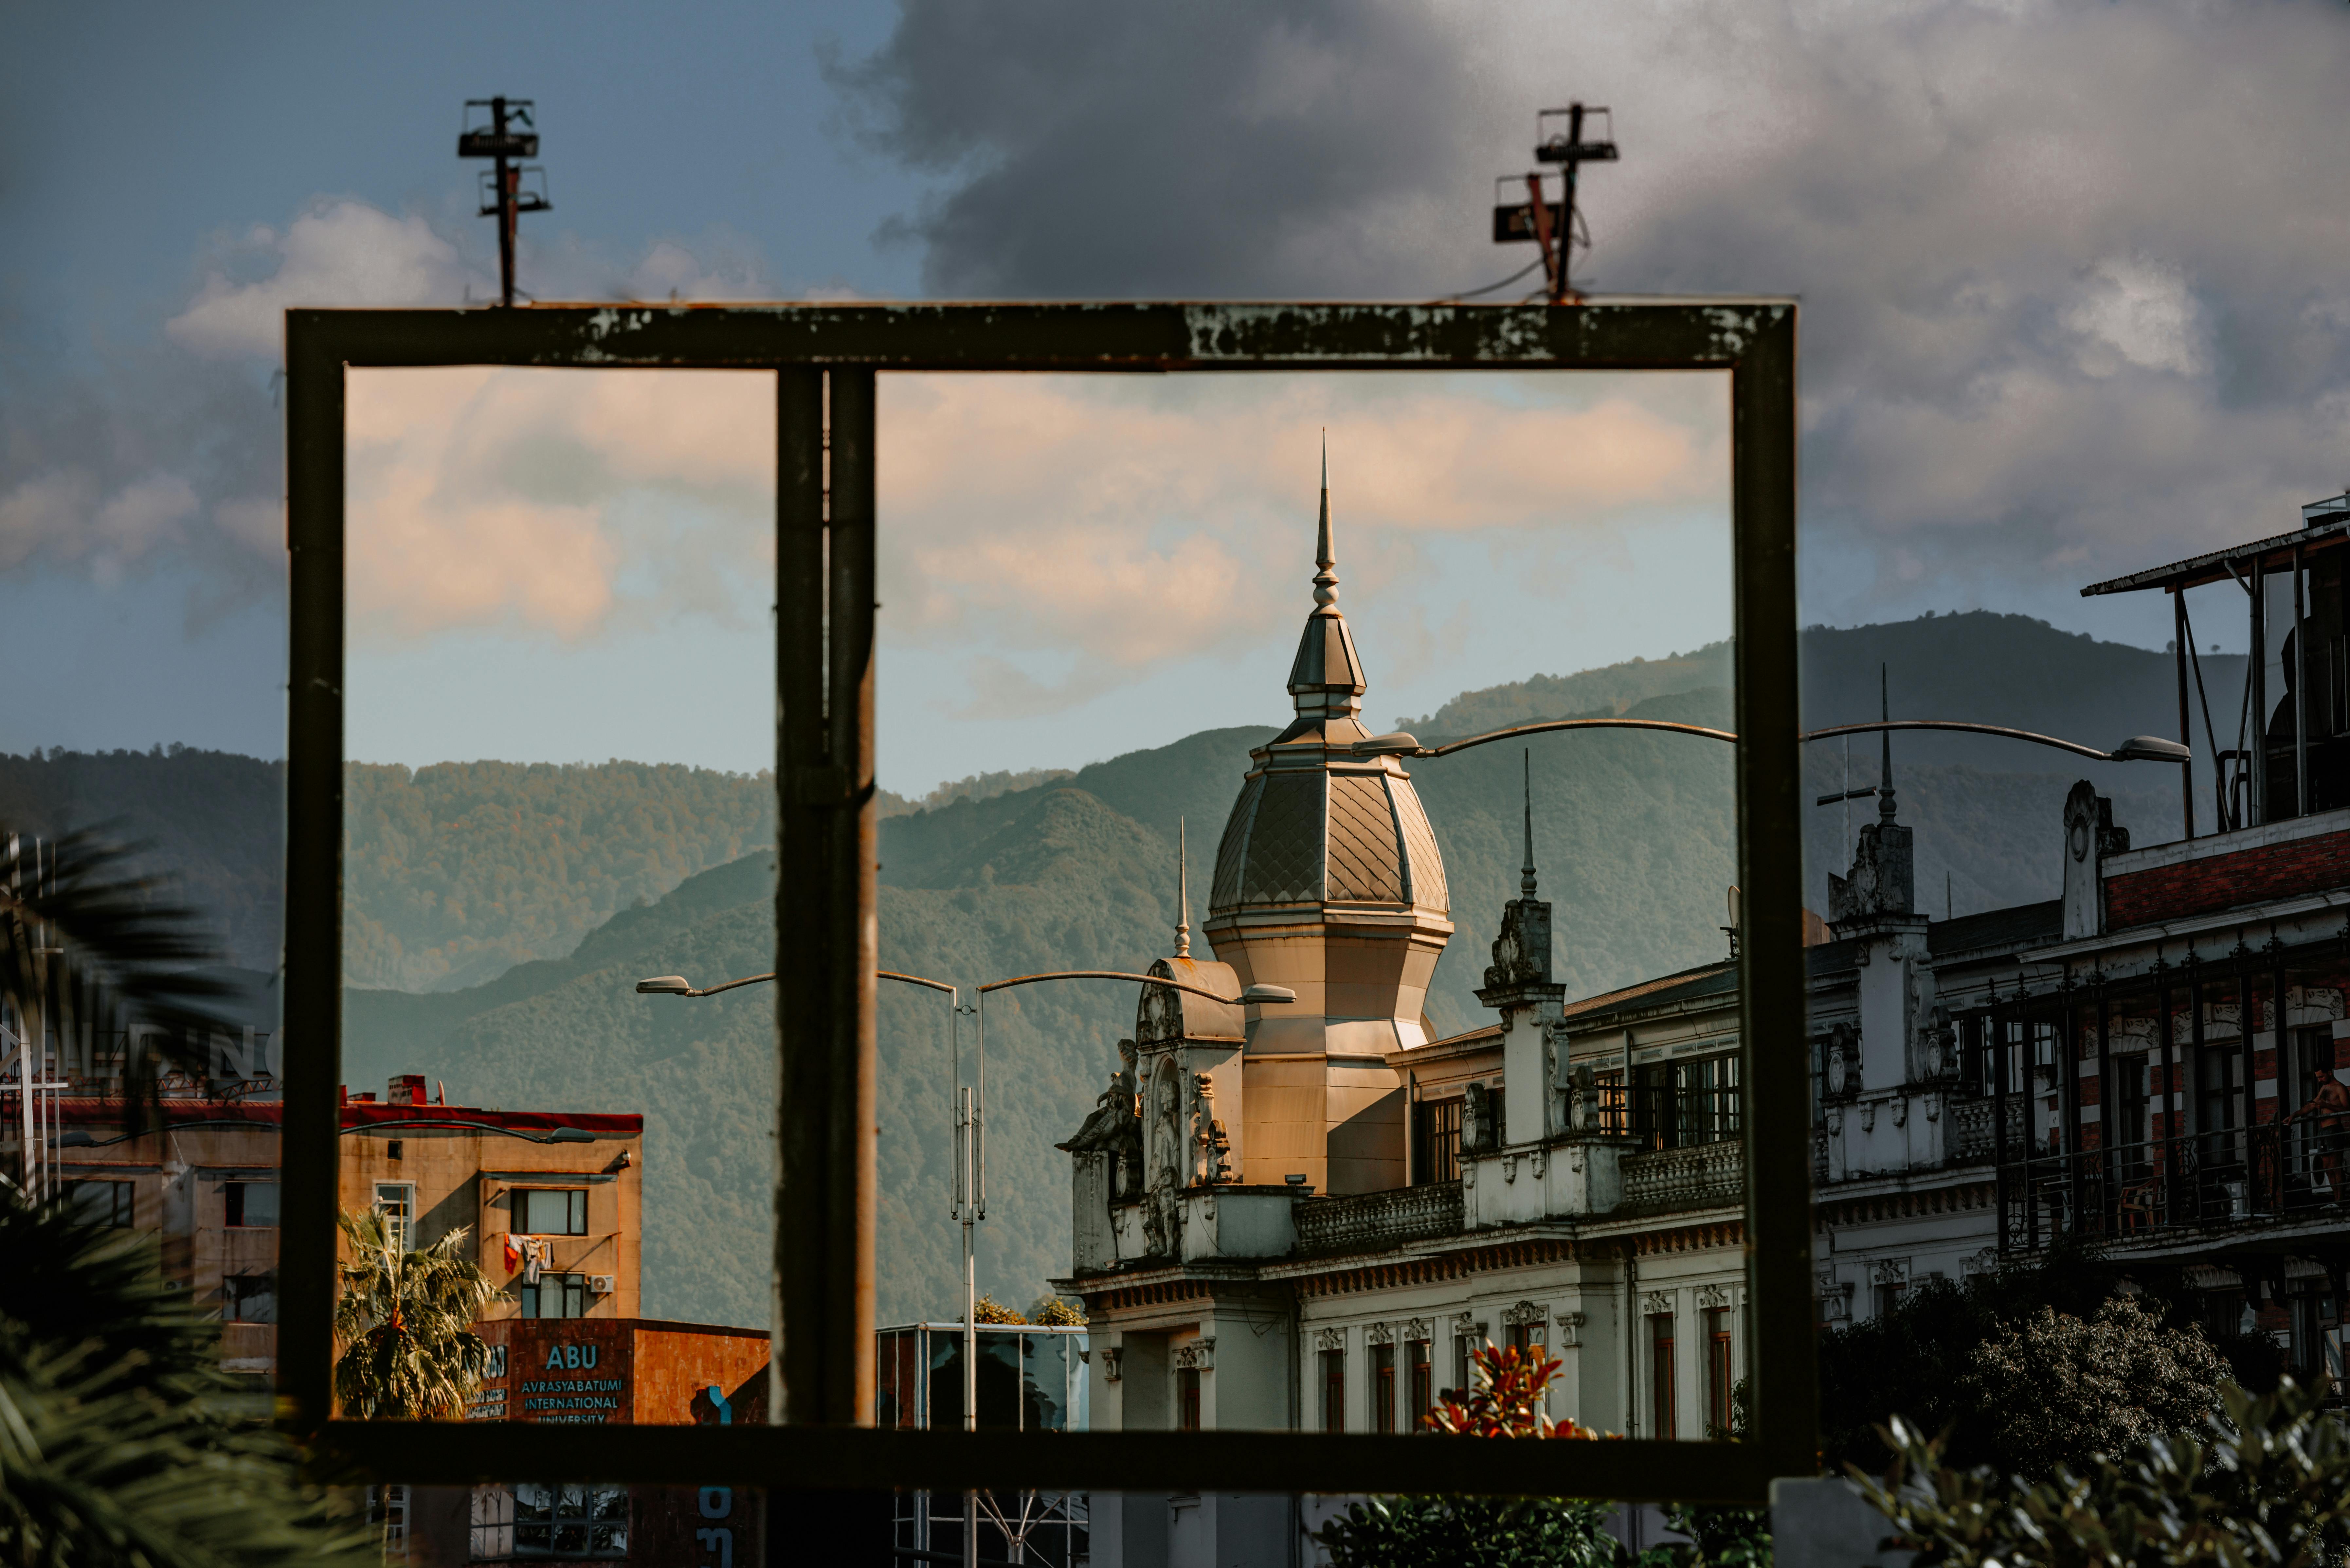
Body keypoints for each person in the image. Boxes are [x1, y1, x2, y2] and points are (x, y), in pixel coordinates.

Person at [2286, 1062, 2350, 1202]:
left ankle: (2341, 1200)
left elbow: (2347, 1110)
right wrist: (2294, 1115)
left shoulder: (2340, 1088)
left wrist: (2326, 1105)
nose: (2320, 1080)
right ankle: (2336, 1199)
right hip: (2322, 1132)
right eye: (2318, 1078)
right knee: (2327, 1167)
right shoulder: (2324, 1088)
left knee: (2336, 1166)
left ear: (2330, 1073)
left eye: (2322, 1077)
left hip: (2334, 1130)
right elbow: (2312, 1106)